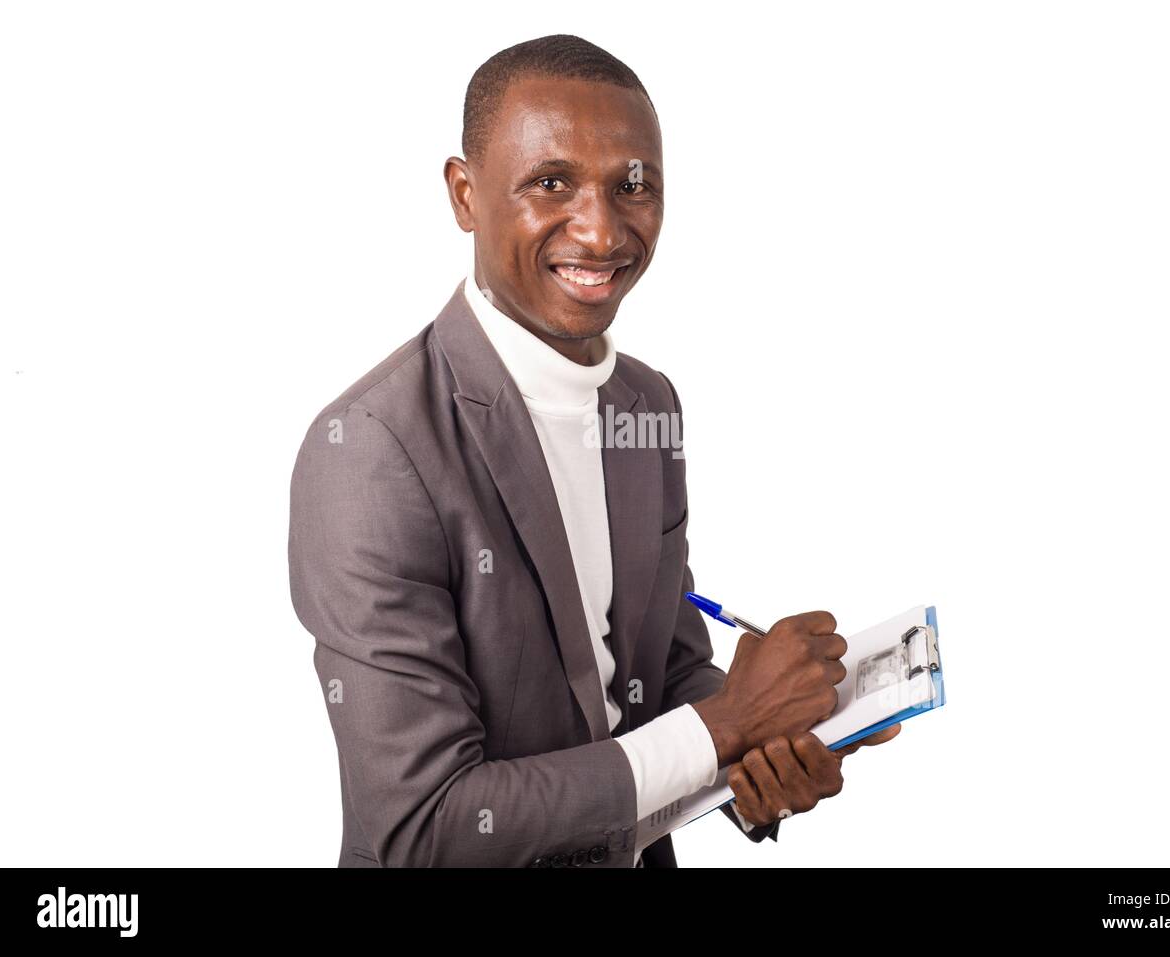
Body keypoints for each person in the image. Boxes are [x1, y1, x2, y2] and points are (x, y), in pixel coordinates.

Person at [288, 33, 900, 868]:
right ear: (466, 196)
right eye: (551, 183)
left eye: (632, 186)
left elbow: (663, 678)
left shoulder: (645, 405)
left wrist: (770, 744)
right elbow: (424, 826)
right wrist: (728, 725)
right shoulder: (371, 449)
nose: (603, 228)